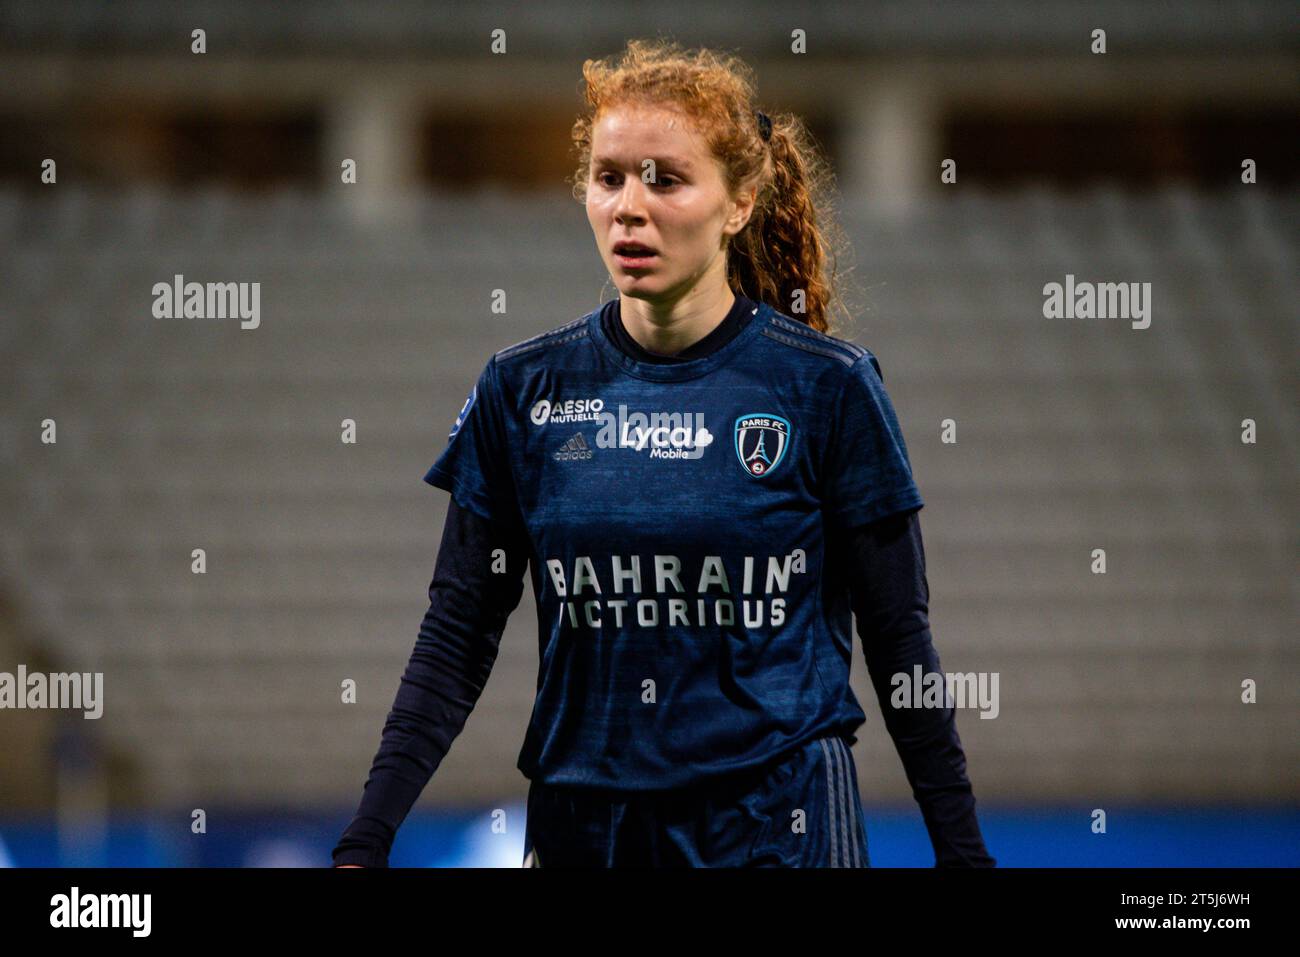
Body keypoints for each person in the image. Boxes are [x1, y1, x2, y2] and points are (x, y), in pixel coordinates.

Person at [334, 39, 994, 868]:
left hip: (777, 823)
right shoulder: (522, 388)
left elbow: (902, 647)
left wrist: (964, 857)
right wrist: (367, 837)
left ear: (741, 202)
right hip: (586, 829)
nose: (629, 207)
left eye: (666, 179)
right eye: (609, 177)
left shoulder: (828, 388)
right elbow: (456, 633)